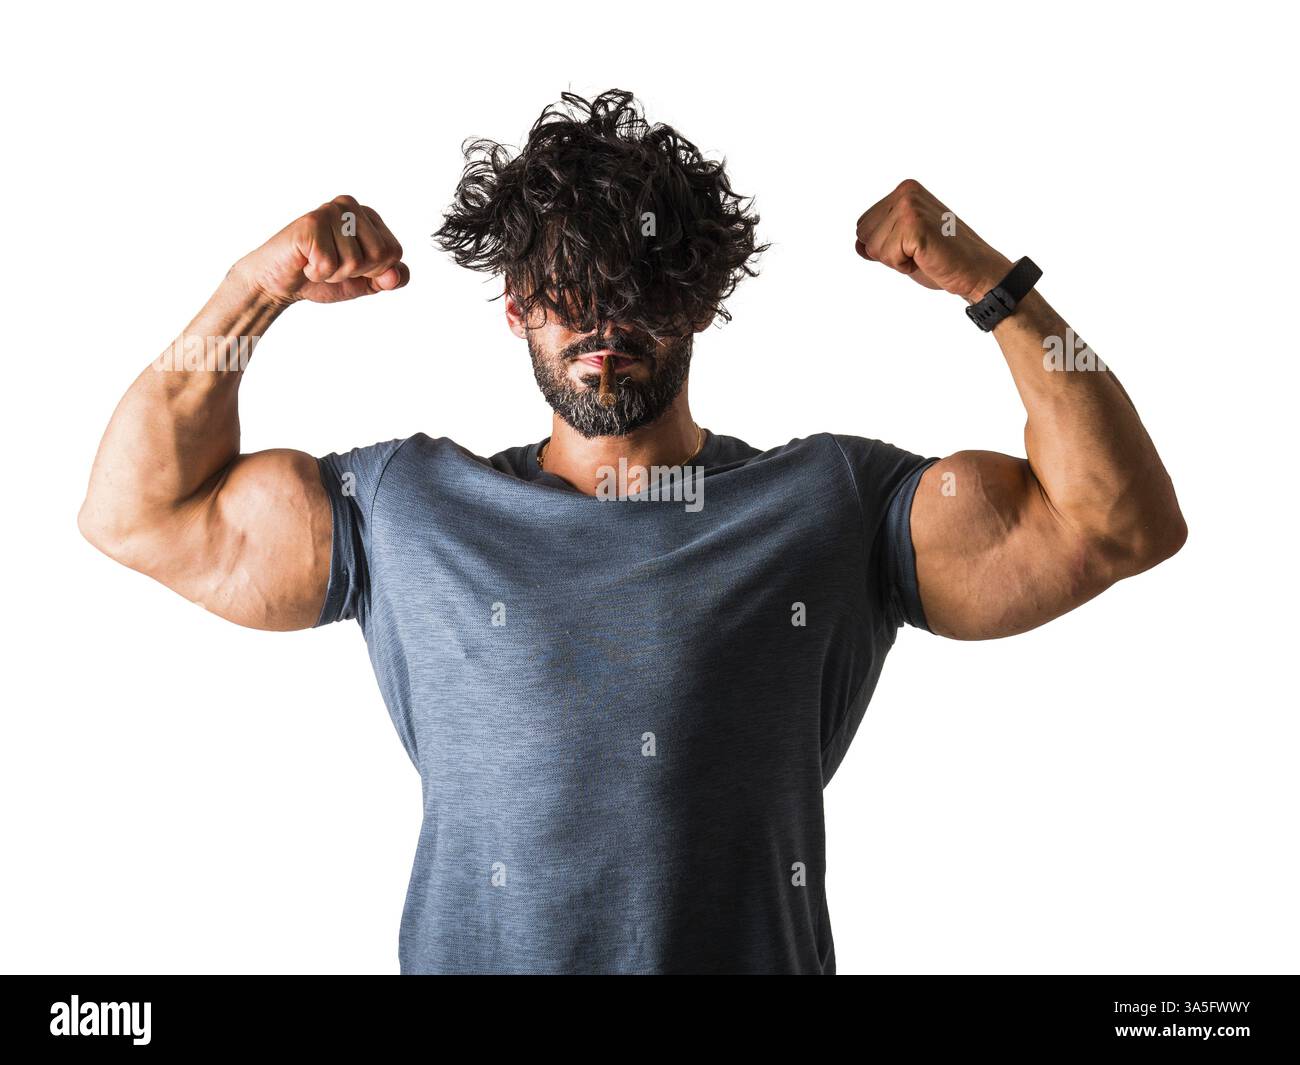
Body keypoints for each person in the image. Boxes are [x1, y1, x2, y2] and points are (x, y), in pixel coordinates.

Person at [78, 89, 1186, 974]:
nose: (602, 326)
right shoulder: (406, 507)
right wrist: (249, 288)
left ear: (701, 302)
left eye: (641, 289)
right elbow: (138, 513)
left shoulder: (827, 504)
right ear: (515, 307)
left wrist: (992, 283)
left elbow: (1116, 525)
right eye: (568, 292)